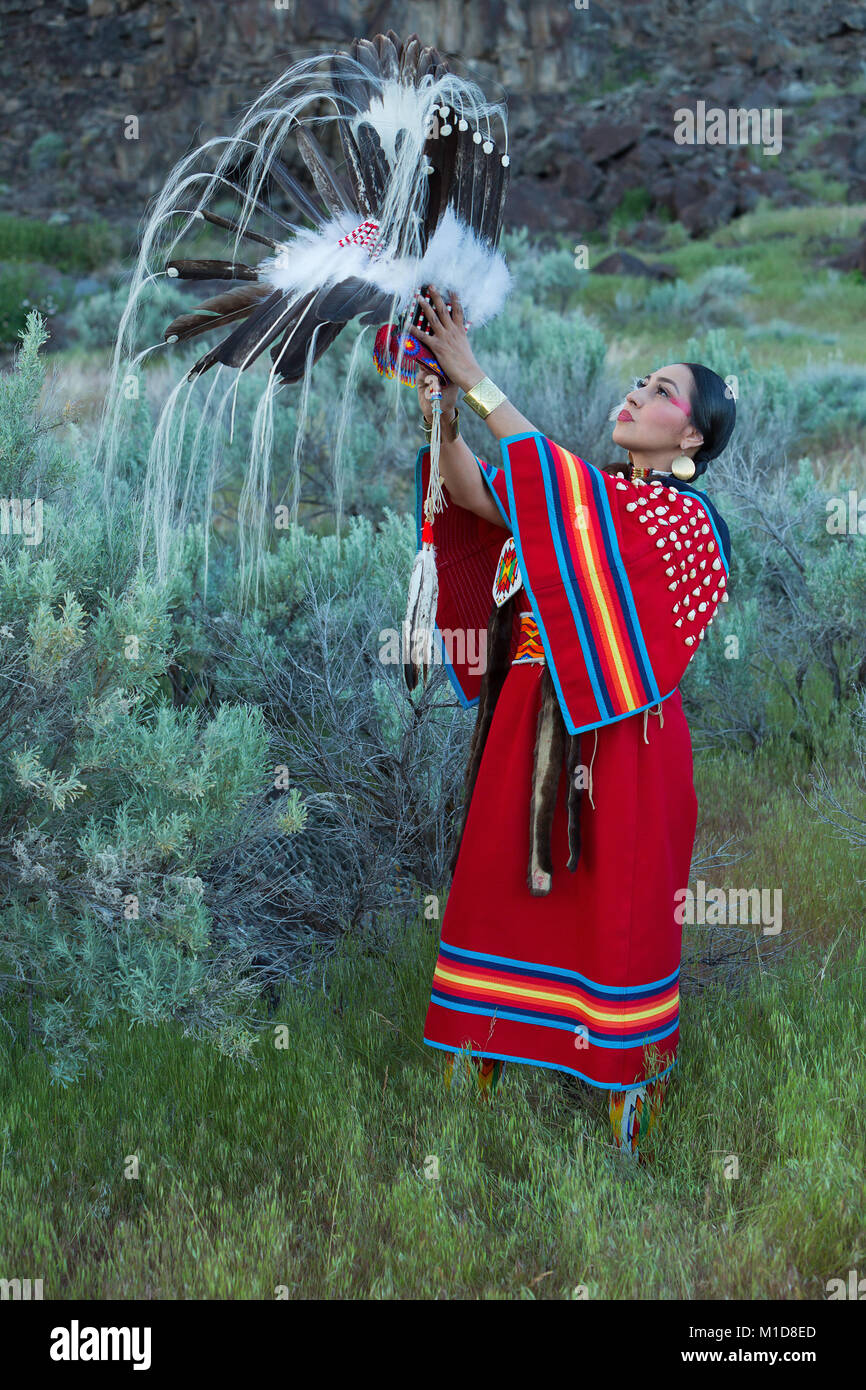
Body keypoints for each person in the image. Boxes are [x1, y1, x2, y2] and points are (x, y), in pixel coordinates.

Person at [410, 284, 734, 1162]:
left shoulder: (687, 524)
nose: (636, 393)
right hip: (530, 719)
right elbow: (480, 496)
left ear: (693, 437)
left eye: (662, 392)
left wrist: (474, 372)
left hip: (622, 744)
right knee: (499, 885)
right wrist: (446, 412)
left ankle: (630, 1079)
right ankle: (488, 1042)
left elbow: (566, 501)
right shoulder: (578, 503)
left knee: (614, 906)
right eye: (638, 380)